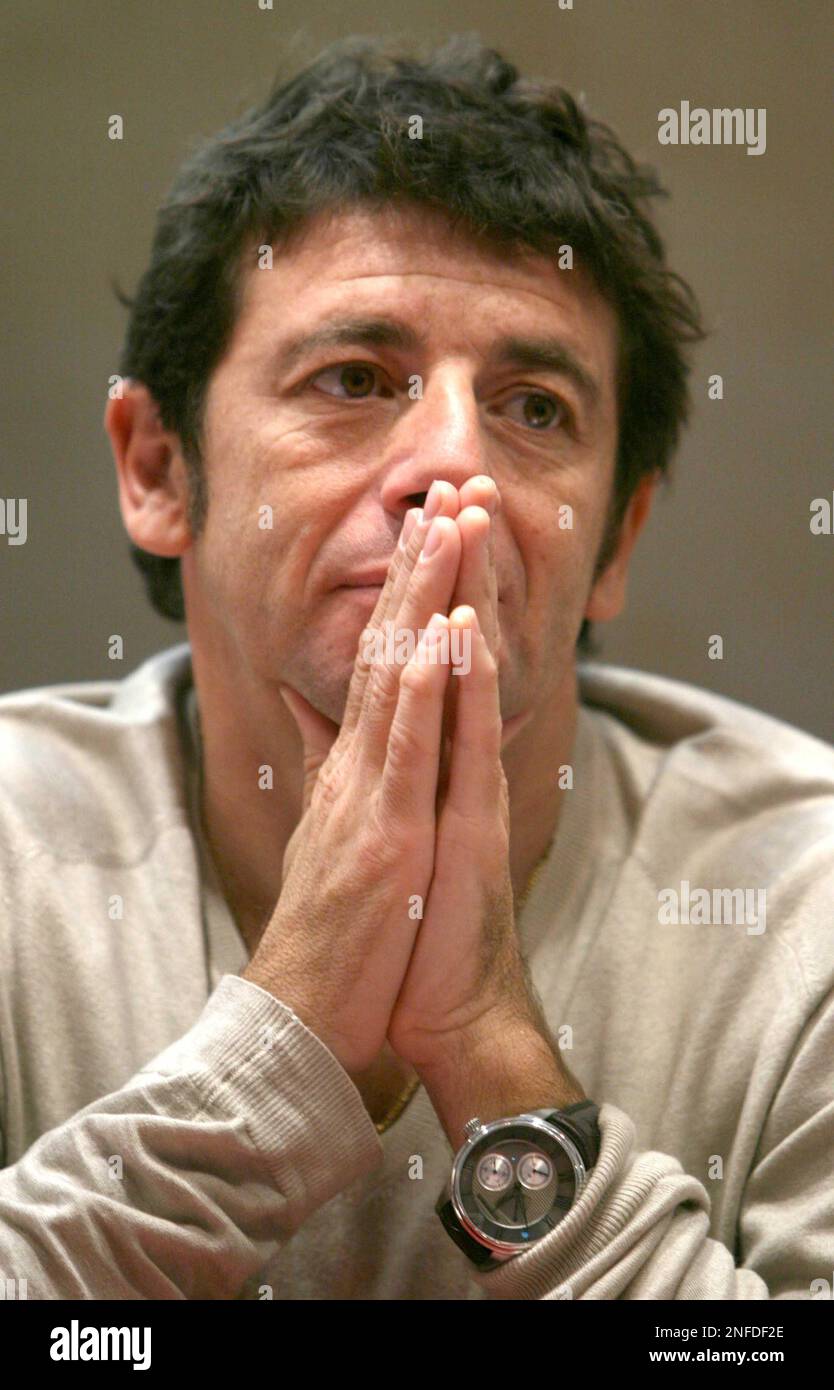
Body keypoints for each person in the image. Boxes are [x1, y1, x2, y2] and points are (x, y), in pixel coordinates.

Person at [0, 35, 831, 1301]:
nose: (456, 465)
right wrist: (282, 1053)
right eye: (354, 378)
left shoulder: (807, 913)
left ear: (617, 540)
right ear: (159, 469)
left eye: (534, 407)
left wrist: (494, 1050)